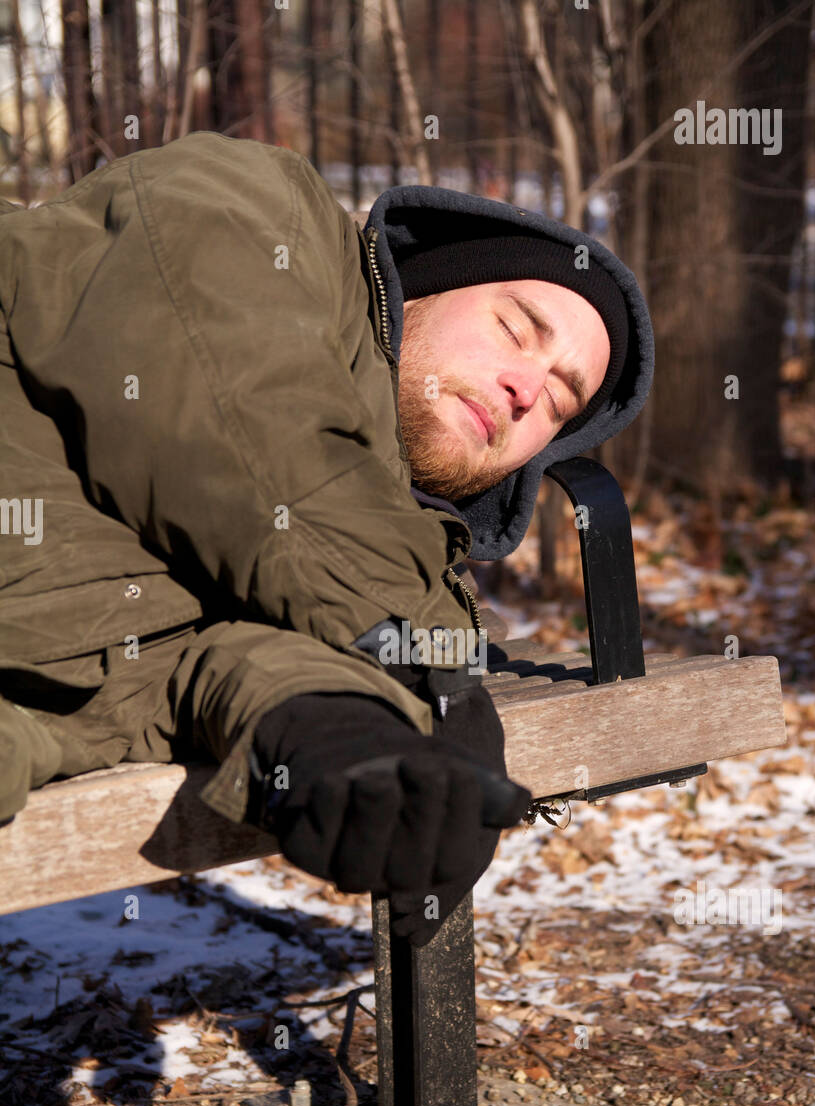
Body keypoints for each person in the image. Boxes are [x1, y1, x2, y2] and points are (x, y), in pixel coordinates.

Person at [0, 132, 653, 944]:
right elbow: (257, 432)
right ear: (420, 288)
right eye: (517, 328)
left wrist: (338, 729)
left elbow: (179, 671)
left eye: (561, 403)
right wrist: (435, 659)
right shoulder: (262, 208)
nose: (527, 390)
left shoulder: (334, 576)